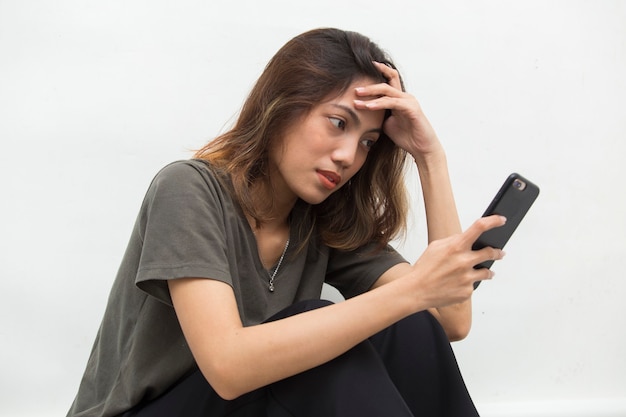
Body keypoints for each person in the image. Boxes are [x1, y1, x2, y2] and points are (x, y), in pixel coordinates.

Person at [67, 27, 506, 417]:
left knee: (407, 324)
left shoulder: (322, 220)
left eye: (368, 142)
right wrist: (412, 290)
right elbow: (228, 367)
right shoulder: (188, 188)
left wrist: (430, 158)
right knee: (322, 341)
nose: (348, 156)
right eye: (338, 123)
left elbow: (448, 319)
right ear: (283, 106)